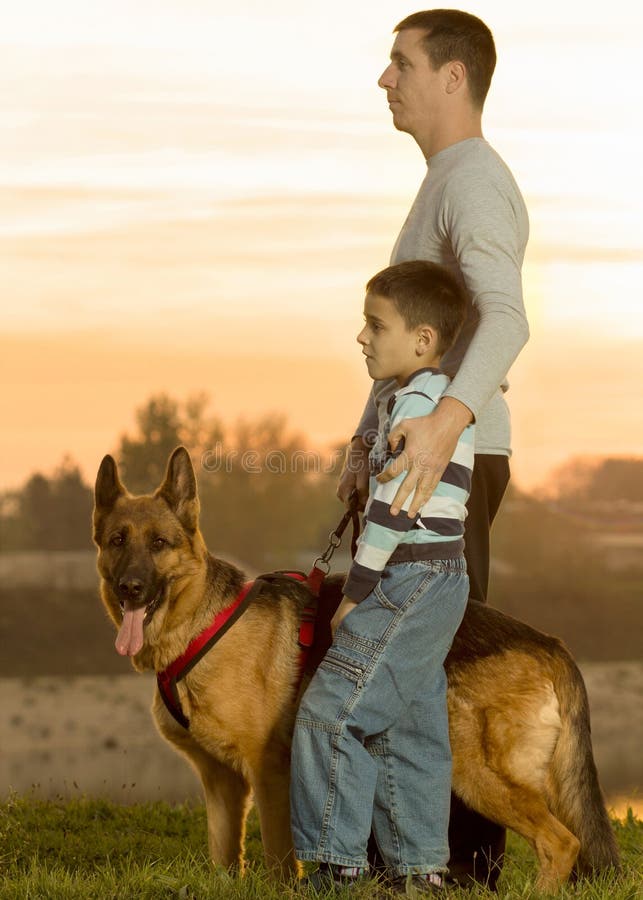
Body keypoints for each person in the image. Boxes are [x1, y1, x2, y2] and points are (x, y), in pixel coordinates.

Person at [336, 10, 530, 888]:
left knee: (439, 659)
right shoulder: (444, 181)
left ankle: (463, 867)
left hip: (452, 459)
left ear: (453, 77)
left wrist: (446, 423)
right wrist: (364, 442)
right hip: (426, 452)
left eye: (400, 63)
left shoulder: (473, 180)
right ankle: (409, 859)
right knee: (408, 655)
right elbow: (415, 346)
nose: (385, 79)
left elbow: (506, 318)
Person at [291, 260, 473, 896]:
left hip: (408, 576)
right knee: (409, 722)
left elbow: (393, 512)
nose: (361, 337)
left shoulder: (417, 408)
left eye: (375, 325)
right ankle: (420, 871)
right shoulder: (418, 399)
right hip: (436, 576)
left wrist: (356, 592)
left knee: (331, 712)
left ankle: (337, 869)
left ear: (422, 340)